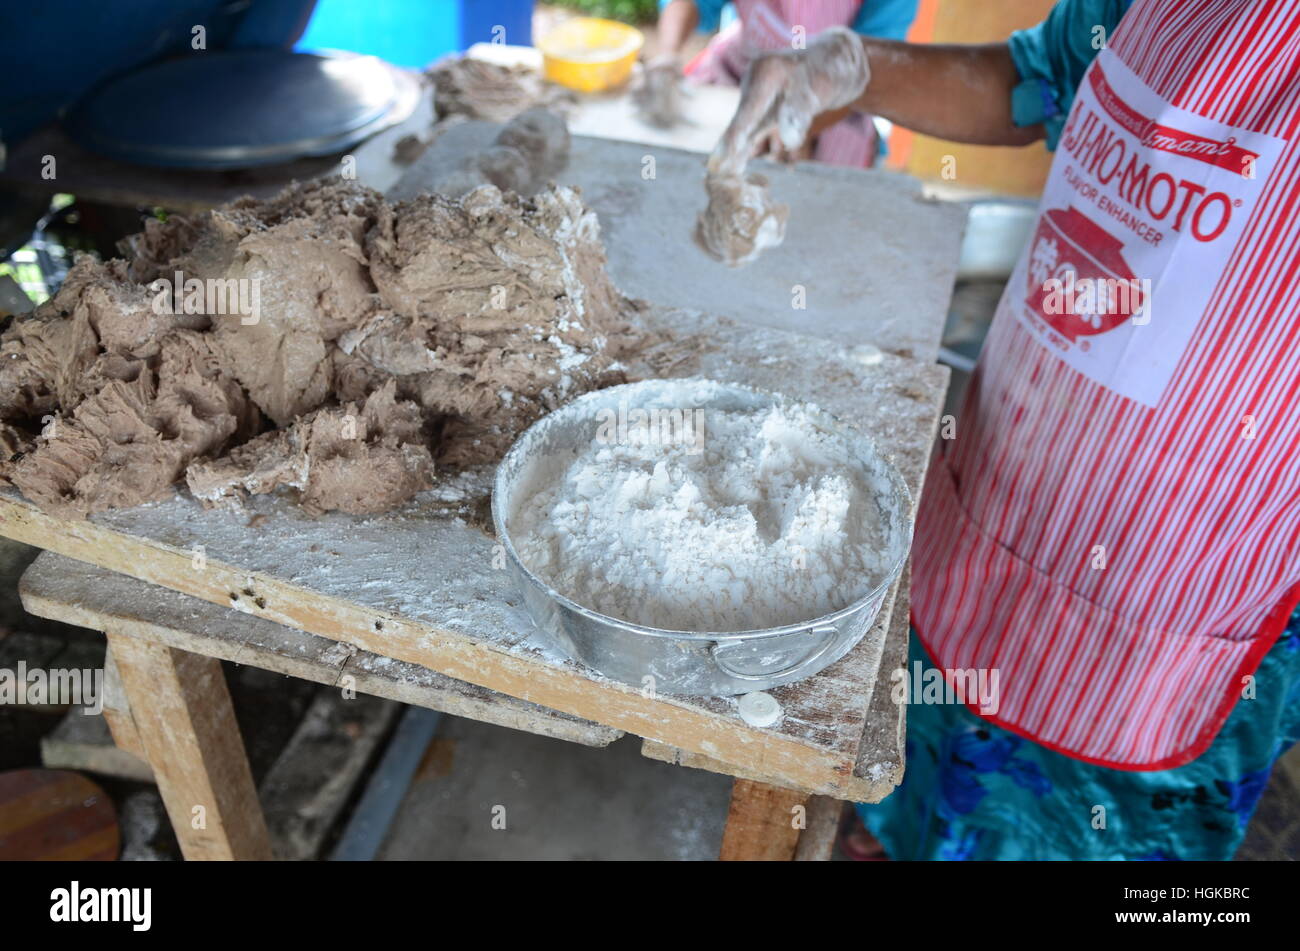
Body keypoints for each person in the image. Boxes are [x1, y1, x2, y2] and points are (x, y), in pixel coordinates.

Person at [713, 0, 1300, 860]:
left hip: (1177, 599)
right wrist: (852, 69)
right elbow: (1039, 77)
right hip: (995, 486)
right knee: (909, 783)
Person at [649, 0, 919, 166]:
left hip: (834, 102)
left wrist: (799, 126)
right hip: (739, 69)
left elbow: (870, 68)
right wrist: (667, 56)